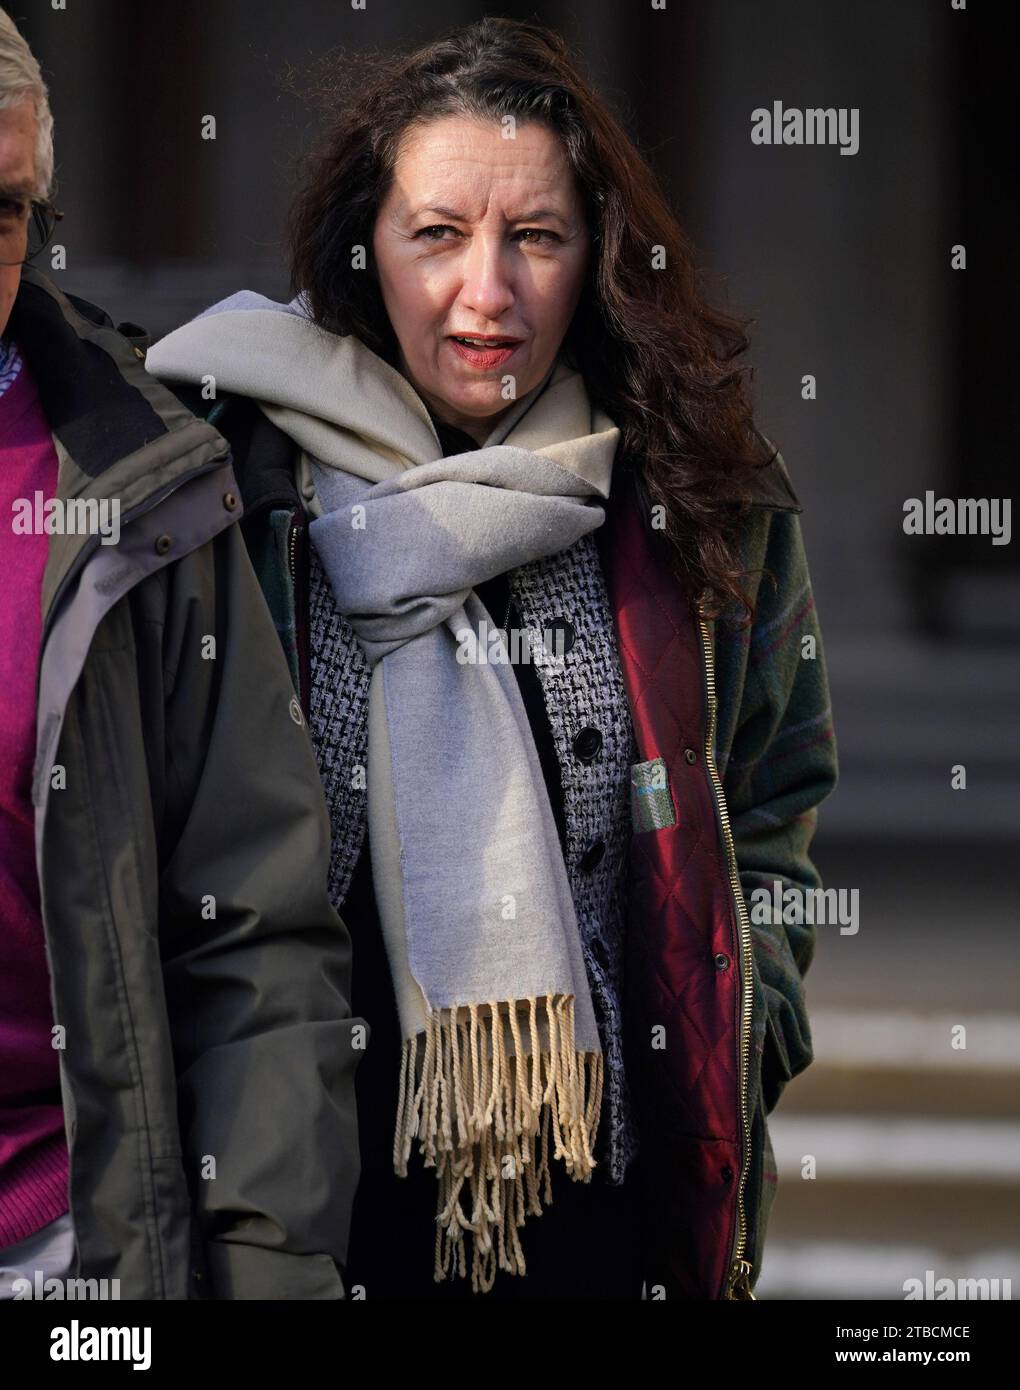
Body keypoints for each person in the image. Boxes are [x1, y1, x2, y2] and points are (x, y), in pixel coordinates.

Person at [146, 16, 839, 1300]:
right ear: (367, 252)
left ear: (596, 257)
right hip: (301, 1195)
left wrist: (754, 1027)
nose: (488, 294)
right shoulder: (230, 479)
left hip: (606, 1199)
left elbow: (776, 795)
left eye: (536, 237)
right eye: (438, 236)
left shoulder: (699, 490)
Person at [0, 9, 363, 1300]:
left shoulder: (144, 489)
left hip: (67, 1252)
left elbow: (254, 926)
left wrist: (266, 1266)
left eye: (2, 212)